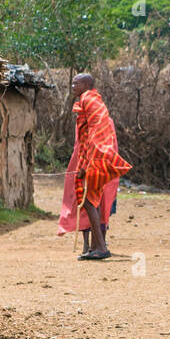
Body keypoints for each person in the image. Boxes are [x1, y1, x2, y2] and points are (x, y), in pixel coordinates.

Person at [58, 74, 131, 261]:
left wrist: (85, 163)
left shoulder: (89, 101)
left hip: (98, 157)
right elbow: (86, 137)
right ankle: (96, 246)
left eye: (77, 83)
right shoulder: (88, 102)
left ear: (87, 85)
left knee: (90, 201)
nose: (73, 85)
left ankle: (101, 247)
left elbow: (95, 136)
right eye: (72, 82)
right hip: (96, 157)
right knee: (91, 200)